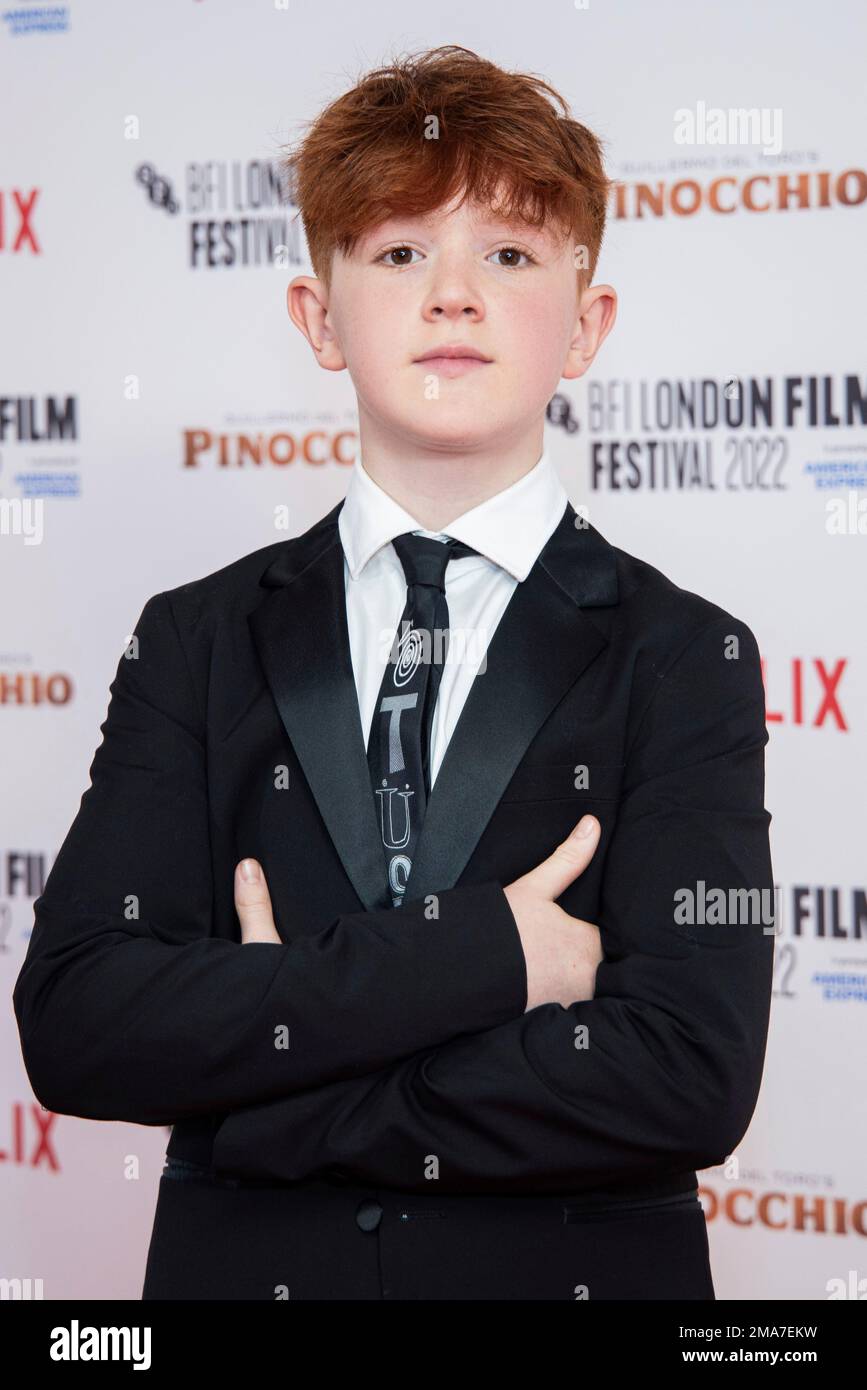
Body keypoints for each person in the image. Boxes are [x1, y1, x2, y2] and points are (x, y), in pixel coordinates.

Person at [13, 44, 774, 1301]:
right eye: (402, 252)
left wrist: (269, 1088)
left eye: (512, 255)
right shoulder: (196, 640)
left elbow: (689, 1072)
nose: (454, 297)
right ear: (322, 315)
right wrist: (487, 956)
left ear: (587, 325)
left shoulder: (687, 655)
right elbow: (83, 1024)